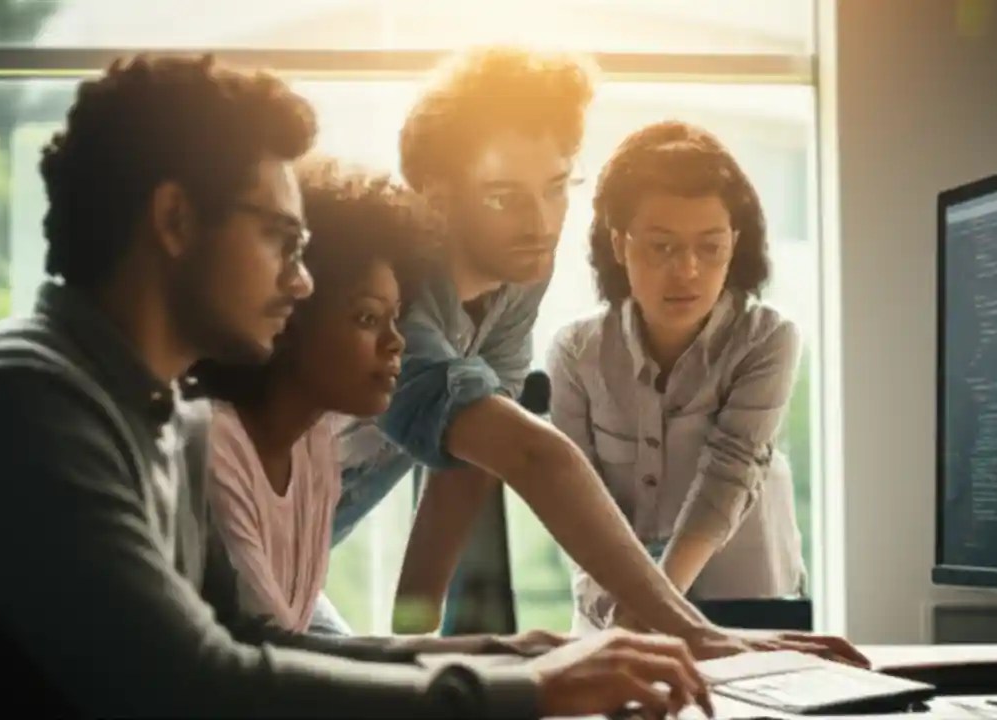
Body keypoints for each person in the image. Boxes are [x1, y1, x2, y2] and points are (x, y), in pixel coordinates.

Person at [0, 54, 714, 719]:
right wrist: (530, 691)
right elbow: (192, 683)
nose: (301, 282)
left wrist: (509, 655)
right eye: (282, 240)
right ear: (176, 220)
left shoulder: (165, 420)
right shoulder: (27, 403)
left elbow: (254, 641)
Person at [327, 44, 867, 666]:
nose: (540, 223)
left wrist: (414, 648)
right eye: (503, 196)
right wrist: (689, 628)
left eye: (556, 188)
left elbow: (469, 463)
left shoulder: (518, 275)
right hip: (244, 549)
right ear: (439, 198)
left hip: (295, 555)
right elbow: (531, 454)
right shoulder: (397, 299)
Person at [196, 157, 567, 656]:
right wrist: (501, 658)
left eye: (396, 318)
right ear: (292, 314)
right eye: (368, 318)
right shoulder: (215, 448)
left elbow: (299, 642)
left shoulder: (313, 453)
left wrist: (505, 655)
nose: (396, 343)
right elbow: (271, 656)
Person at [547, 121, 808, 632]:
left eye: (709, 247)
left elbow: (729, 474)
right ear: (620, 244)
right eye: (662, 247)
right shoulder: (576, 353)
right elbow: (570, 498)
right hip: (613, 607)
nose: (687, 270)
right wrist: (625, 608)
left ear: (734, 244)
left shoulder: (767, 340)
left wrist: (653, 608)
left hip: (747, 605)